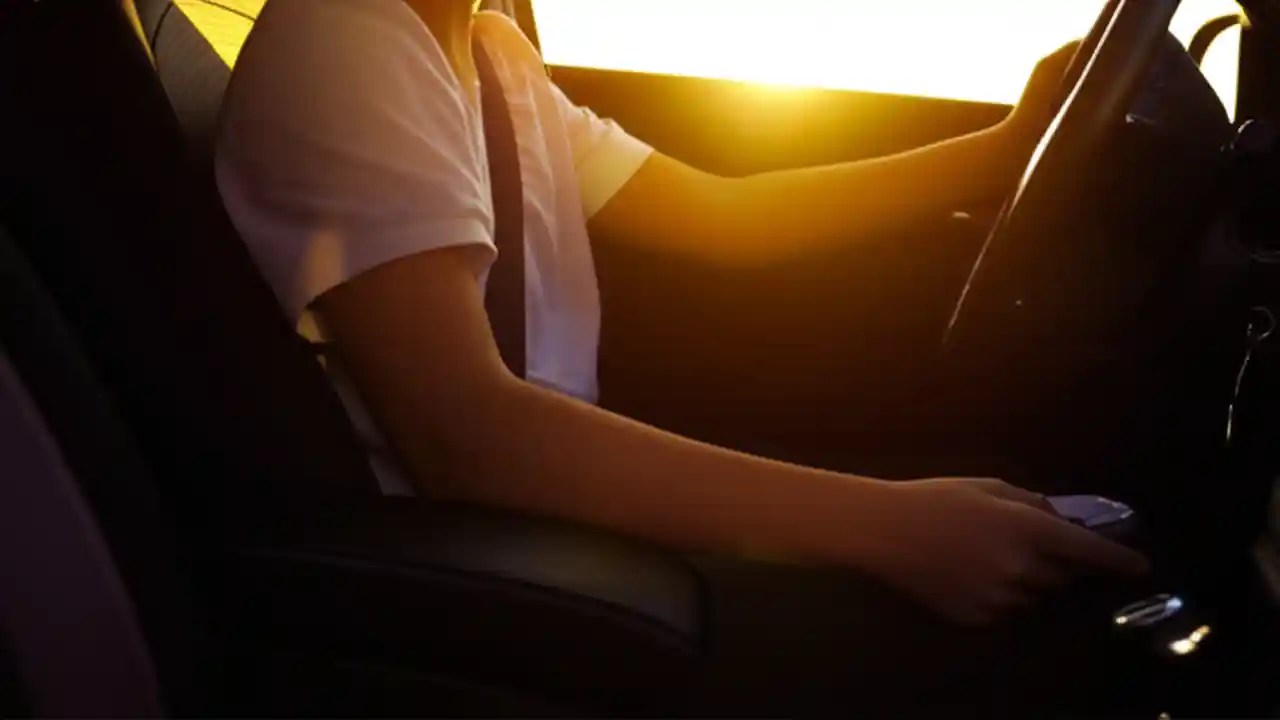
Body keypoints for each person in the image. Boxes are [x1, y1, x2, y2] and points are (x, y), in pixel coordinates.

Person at [216, 0, 1146, 633]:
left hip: (552, 511)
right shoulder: (344, 44)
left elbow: (726, 218)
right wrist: (894, 527)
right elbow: (469, 437)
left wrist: (1008, 151)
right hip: (471, 566)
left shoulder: (495, 59)